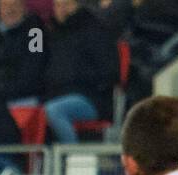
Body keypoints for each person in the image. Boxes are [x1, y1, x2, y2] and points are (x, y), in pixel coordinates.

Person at [42, 0, 120, 143]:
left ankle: (76, 157)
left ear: (78, 5)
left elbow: (110, 72)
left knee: (53, 111)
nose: (62, 10)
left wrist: (77, 79)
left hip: (90, 98)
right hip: (55, 95)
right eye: (58, 5)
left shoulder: (95, 29)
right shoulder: (50, 34)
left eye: (67, 4)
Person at [0, 0, 45, 106]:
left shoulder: (35, 30)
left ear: (24, 7)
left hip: (25, 97)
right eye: (5, 5)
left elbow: (35, 65)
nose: (10, 10)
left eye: (15, 5)